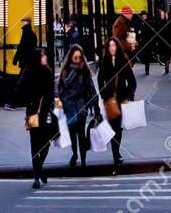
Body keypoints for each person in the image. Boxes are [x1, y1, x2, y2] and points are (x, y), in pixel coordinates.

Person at [97, 35, 137, 173]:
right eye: (109, 46)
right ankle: (116, 156)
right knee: (113, 127)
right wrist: (103, 94)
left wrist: (129, 95)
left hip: (121, 99)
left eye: (114, 46)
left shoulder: (123, 61)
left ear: (117, 47)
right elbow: (100, 79)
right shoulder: (104, 62)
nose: (112, 48)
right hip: (109, 100)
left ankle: (116, 153)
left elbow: (132, 81)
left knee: (118, 129)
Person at [57, 45, 97, 170]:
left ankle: (83, 160)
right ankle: (75, 154)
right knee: (72, 134)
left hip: (81, 107)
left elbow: (91, 89)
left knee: (81, 134)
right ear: (71, 58)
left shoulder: (84, 71)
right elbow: (60, 89)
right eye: (75, 58)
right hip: (69, 108)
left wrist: (96, 107)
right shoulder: (65, 72)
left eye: (80, 58)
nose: (78, 60)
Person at [24, 46, 57, 189]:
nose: (45, 57)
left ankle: (39, 170)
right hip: (36, 112)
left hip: (39, 112)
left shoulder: (47, 72)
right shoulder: (32, 72)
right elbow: (20, 89)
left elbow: (51, 93)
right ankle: (36, 176)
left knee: (41, 143)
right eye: (43, 56)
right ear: (38, 58)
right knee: (37, 144)